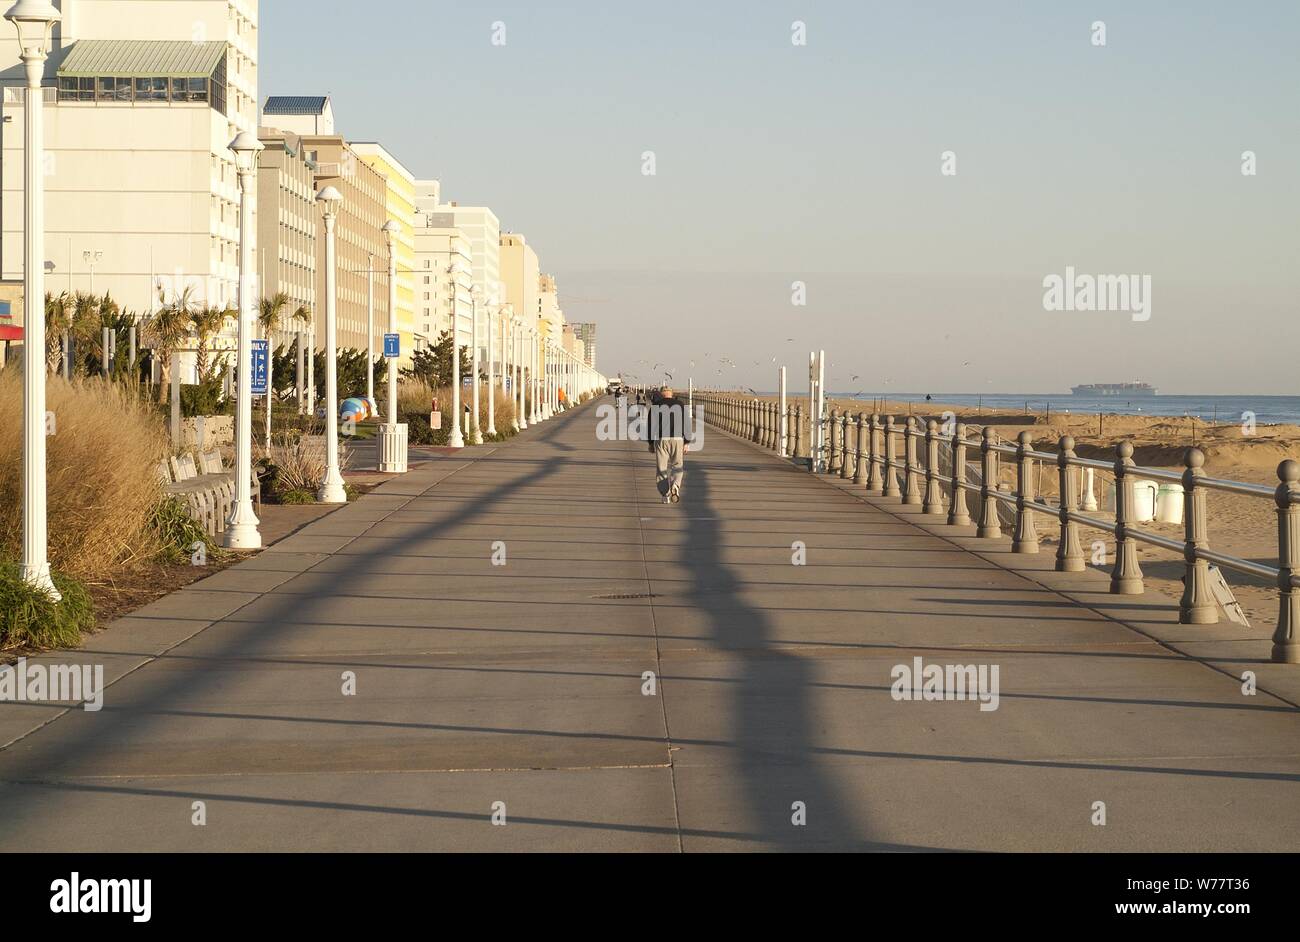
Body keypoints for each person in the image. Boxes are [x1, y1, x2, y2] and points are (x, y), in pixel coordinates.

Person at [650, 386, 688, 504]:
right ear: (671, 393)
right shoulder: (680, 405)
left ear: (662, 394)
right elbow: (686, 423)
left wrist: (651, 443)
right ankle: (675, 486)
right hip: (677, 439)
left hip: (662, 439)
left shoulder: (656, 406)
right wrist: (686, 442)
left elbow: (651, 426)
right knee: (677, 466)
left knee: (662, 468)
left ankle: (665, 494)